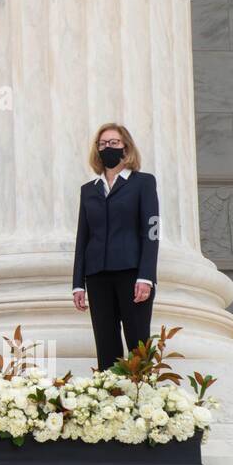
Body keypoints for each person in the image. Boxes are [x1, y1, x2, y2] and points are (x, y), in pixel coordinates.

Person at [71, 122, 159, 371]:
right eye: (102, 144)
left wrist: (146, 276)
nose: (106, 148)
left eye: (113, 143)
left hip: (133, 275)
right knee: (106, 346)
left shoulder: (143, 183)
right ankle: (110, 398)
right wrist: (78, 283)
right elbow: (82, 237)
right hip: (97, 276)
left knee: (137, 344)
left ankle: (144, 398)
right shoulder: (89, 191)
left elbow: (152, 232)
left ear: (126, 147)